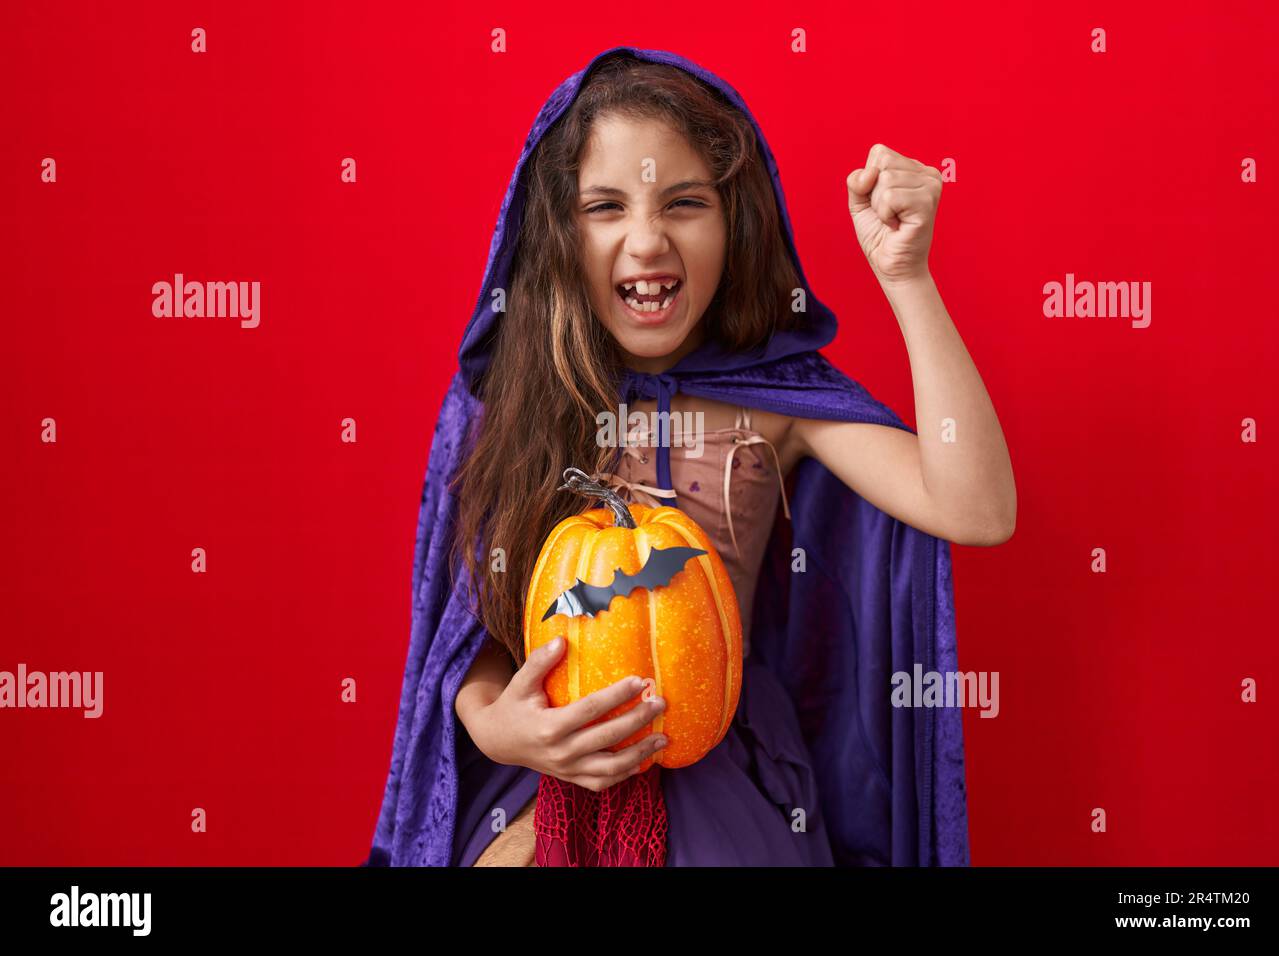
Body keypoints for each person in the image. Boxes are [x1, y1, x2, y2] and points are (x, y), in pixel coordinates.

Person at [365, 46, 1013, 867]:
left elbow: (978, 509)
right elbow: (473, 629)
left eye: (684, 202)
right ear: (556, 232)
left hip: (719, 770)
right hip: (541, 776)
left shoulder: (777, 406)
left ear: (734, 220)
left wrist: (909, 278)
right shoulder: (514, 405)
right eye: (604, 206)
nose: (646, 240)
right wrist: (499, 725)